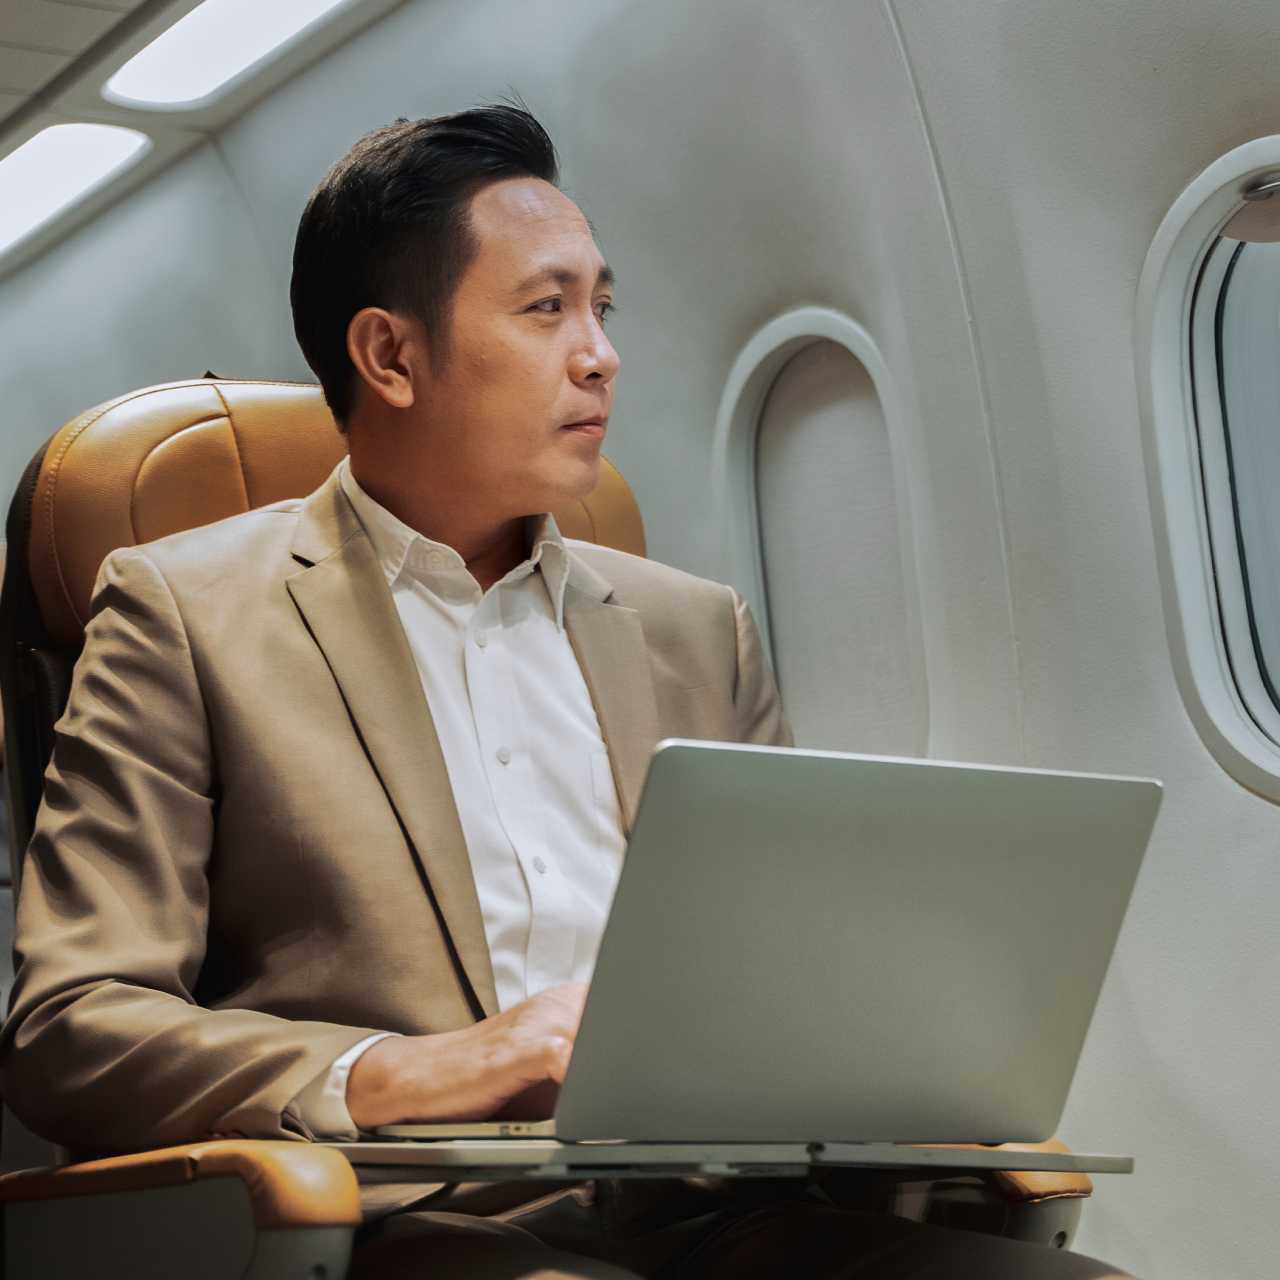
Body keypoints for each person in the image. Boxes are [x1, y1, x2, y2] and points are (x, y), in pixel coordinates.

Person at [0, 106, 1134, 1278]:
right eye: (546, 308)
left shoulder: (697, 630)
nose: (599, 352)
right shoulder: (184, 612)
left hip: (719, 1213)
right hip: (408, 1225)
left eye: (602, 306)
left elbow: (769, 974)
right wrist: (422, 1067)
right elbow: (72, 1027)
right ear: (390, 355)